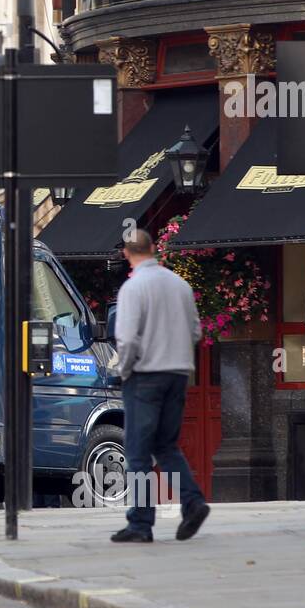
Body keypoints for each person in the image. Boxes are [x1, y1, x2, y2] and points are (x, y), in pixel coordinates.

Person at [110, 231, 210, 543]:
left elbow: (126, 339)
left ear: (127, 253)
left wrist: (124, 371)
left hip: (145, 376)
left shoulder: (133, 288)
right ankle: (192, 501)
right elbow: (195, 330)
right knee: (166, 445)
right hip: (178, 374)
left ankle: (141, 523)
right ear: (154, 248)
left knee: (138, 453)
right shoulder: (180, 285)